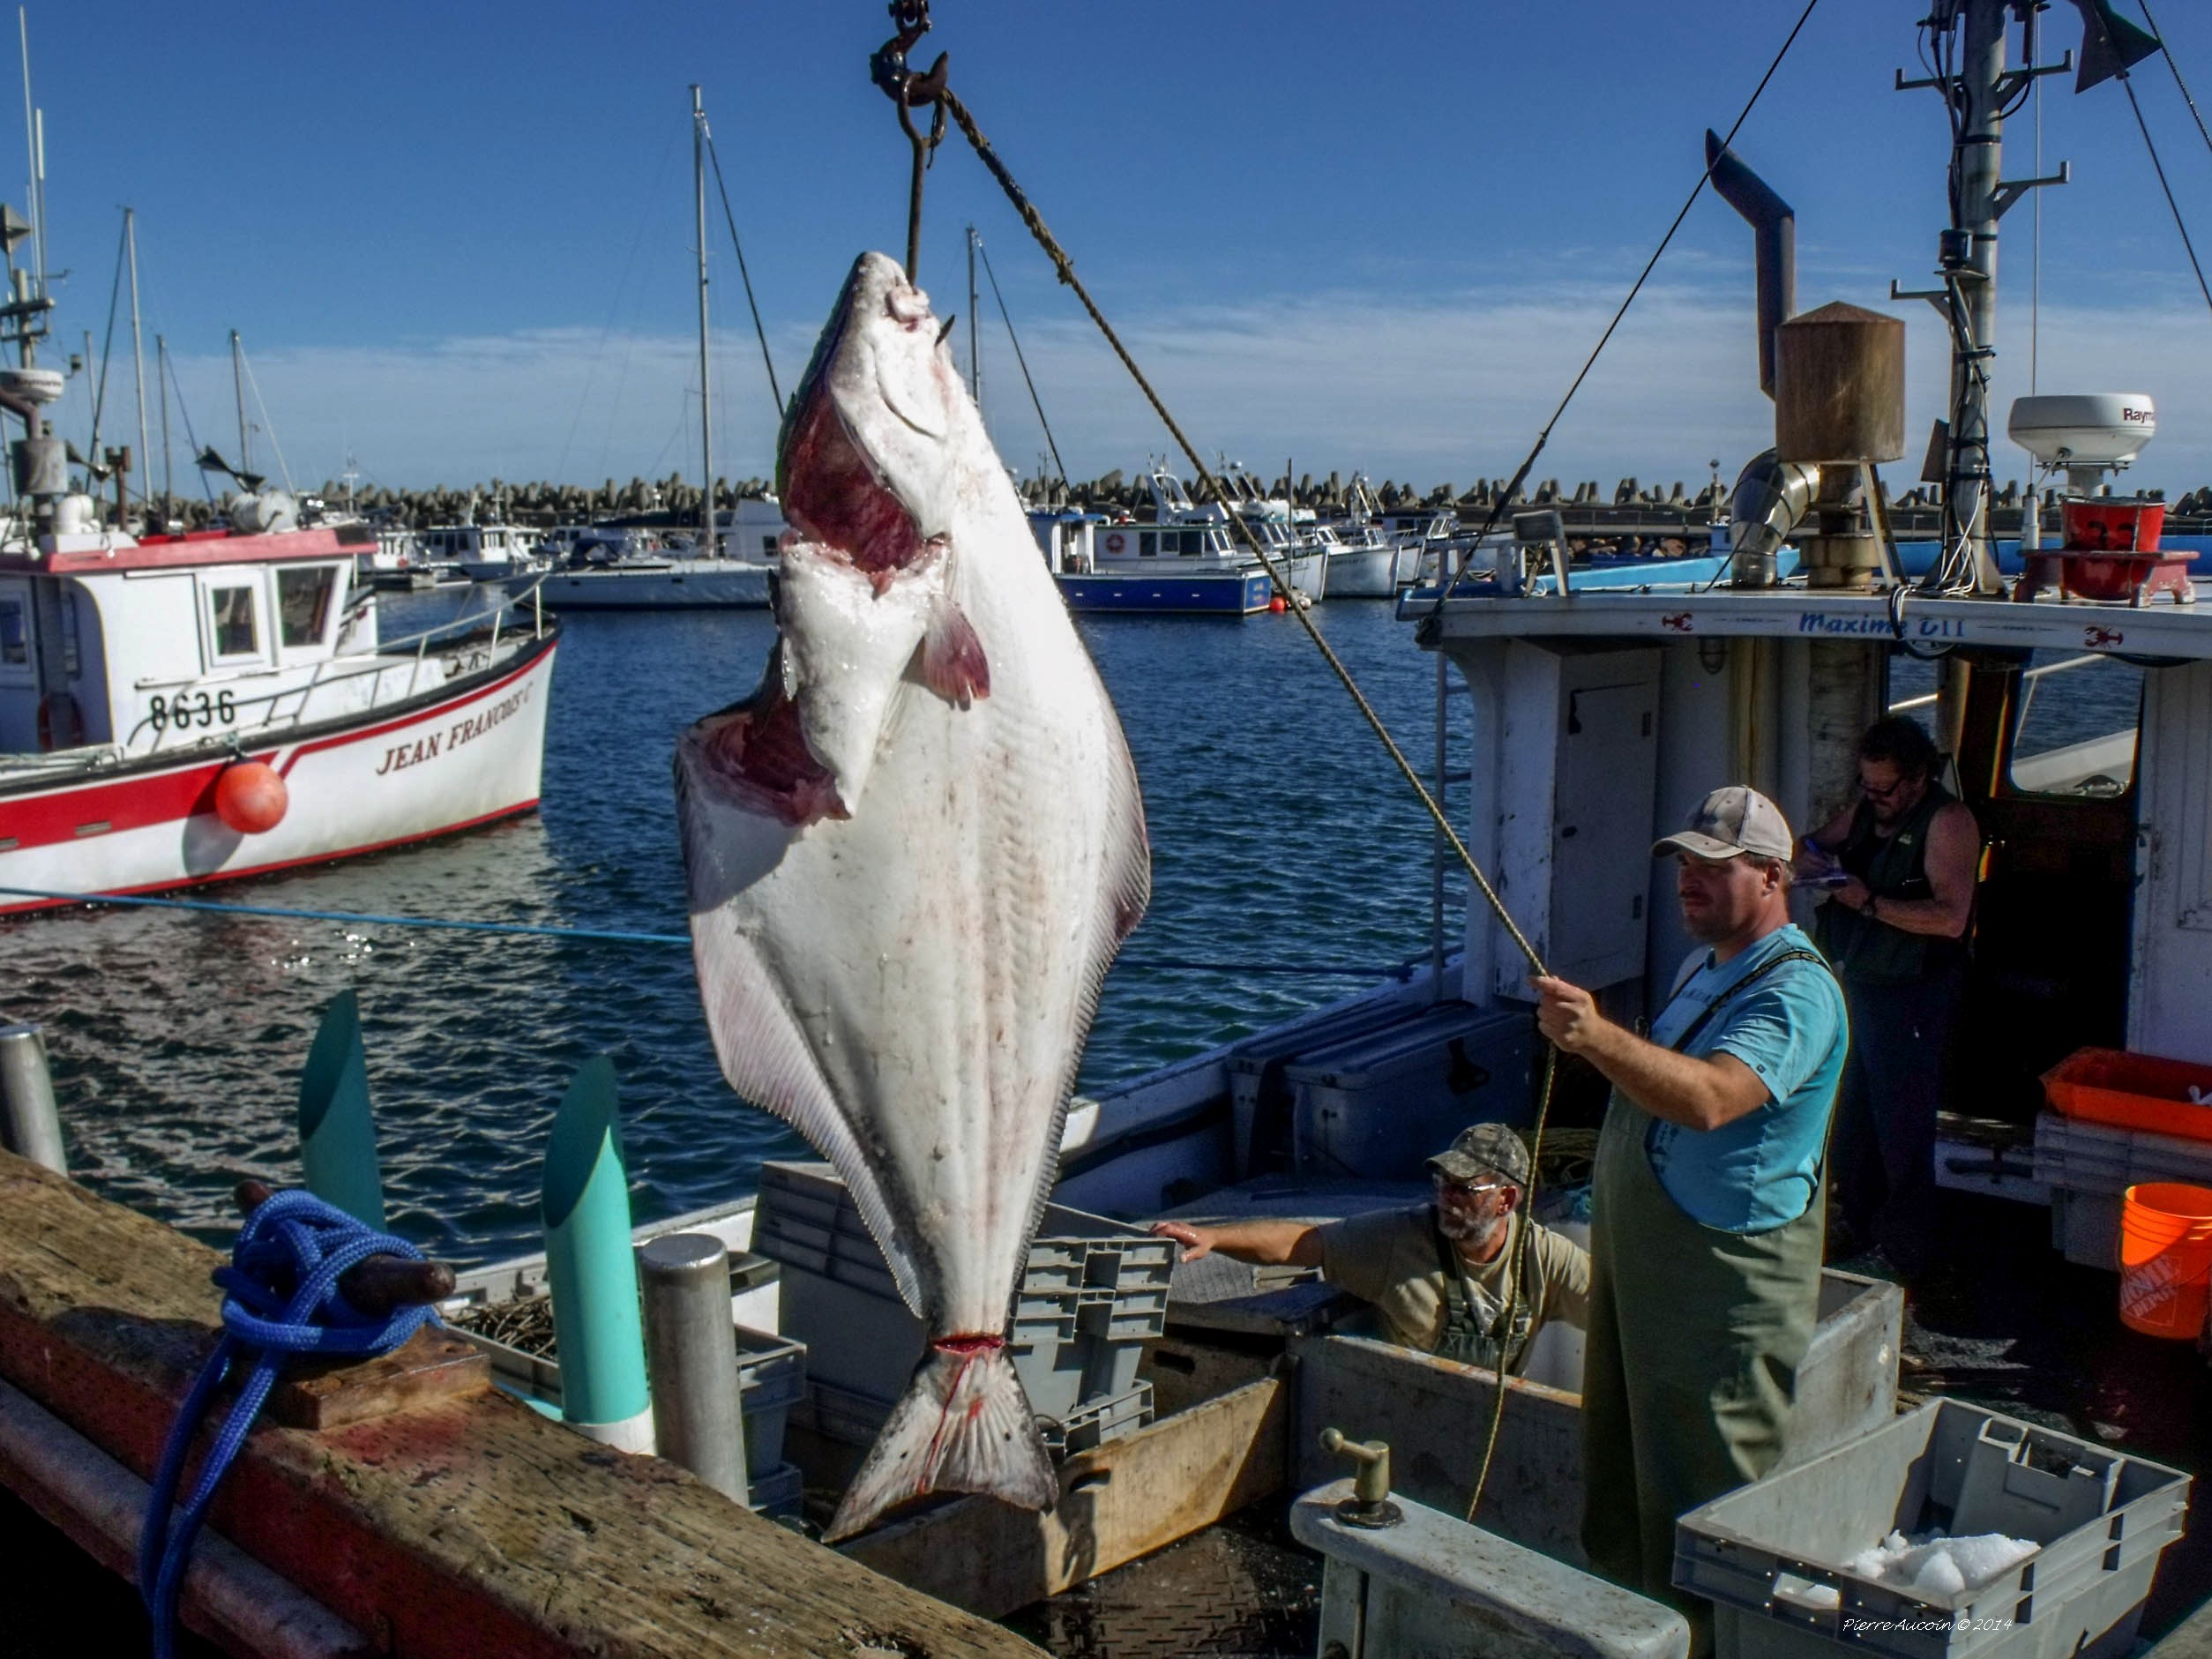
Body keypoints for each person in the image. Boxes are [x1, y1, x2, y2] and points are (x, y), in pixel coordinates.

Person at [1533, 786, 1847, 1640]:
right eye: (1683, 864)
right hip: (1647, 1271)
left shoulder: (1798, 995)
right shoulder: (1700, 967)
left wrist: (1595, 1039)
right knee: (1627, 1463)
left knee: (1709, 1498)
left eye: (1715, 866)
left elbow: (1712, 1100)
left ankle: (1708, 1643)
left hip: (1721, 1292)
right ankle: (1631, 1630)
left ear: (1775, 877)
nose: (1689, 882)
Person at [1149, 1122, 1588, 1374]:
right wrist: (1214, 1237)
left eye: (1463, 1188)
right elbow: (1301, 1243)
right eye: (1440, 1183)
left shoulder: (1546, 1257)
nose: (1445, 1197)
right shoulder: (1397, 1239)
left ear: (1506, 1200)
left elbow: (1617, 1313)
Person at [1797, 716, 1978, 1275]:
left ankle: (1904, 1248)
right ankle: (1857, 1220)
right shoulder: (1864, 811)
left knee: (1901, 1121)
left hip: (1911, 992)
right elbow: (1810, 845)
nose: (1875, 798)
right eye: (1867, 787)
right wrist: (1803, 861)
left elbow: (1951, 918)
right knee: (1850, 1116)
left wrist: (1864, 900)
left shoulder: (1947, 823)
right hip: (1855, 985)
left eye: (1886, 789)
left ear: (1919, 779)